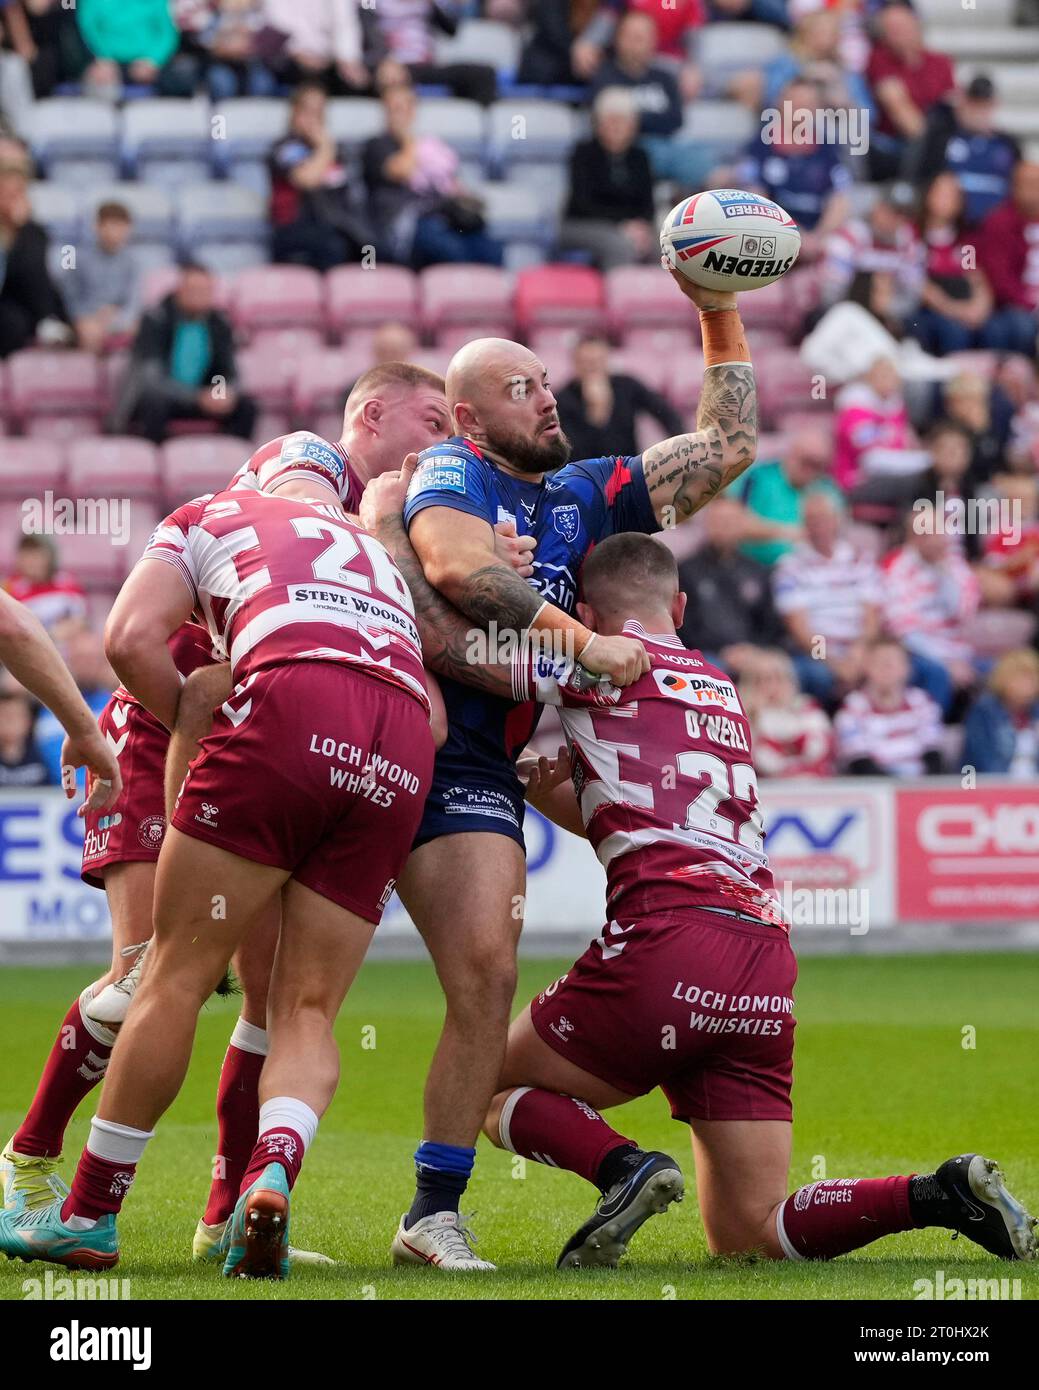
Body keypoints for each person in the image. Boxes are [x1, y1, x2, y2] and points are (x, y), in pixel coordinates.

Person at [0, 363, 453, 1267]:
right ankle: (29, 1160)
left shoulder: (367, 523)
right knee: (173, 982)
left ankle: (214, 1214)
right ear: (367, 417)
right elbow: (150, 646)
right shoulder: (313, 468)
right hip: (181, 721)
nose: (444, 440)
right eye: (433, 418)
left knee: (239, 993)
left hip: (259, 724)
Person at [486, 531, 1036, 1270]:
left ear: (585, 611)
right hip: (761, 959)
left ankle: (623, 1168)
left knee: (481, 1080)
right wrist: (557, 791)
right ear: (679, 604)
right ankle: (936, 1195)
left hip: (665, 941)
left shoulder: (589, 656)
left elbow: (473, 637)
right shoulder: (719, 686)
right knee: (749, 1233)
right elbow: (651, 816)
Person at [365, 266, 758, 1269]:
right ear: (466, 416)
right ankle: (223, 1191)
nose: (546, 396)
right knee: (267, 991)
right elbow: (461, 569)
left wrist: (715, 304)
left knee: (487, 973)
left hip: (478, 768)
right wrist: (579, 646)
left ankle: (430, 1213)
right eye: (519, 387)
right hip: (405, 735)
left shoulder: (586, 492)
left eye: (546, 381)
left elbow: (725, 449)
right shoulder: (452, 474)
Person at [362, 80, 503, 270]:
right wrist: (408, 140)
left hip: (443, 217)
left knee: (489, 249)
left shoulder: (430, 146)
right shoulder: (377, 145)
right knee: (452, 251)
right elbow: (402, 171)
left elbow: (451, 182)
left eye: (406, 108)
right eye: (394, 109)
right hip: (408, 225)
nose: (400, 115)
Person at [0, 589, 120, 810]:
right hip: (53, 797)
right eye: (80, 657)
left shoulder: (115, 698)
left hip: (105, 796)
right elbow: (13, 632)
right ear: (68, 657)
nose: (86, 663)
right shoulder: (45, 696)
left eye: (92, 658)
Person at [114, 261, 257, 444]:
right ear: (180, 290)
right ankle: (156, 460)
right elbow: (152, 378)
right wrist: (196, 398)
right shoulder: (156, 319)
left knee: (246, 406)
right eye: (193, 290)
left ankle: (230, 459)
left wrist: (221, 394)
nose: (199, 297)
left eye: (204, 291)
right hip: (167, 397)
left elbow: (227, 371)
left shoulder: (219, 323)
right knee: (154, 401)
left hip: (204, 396)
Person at [772, 489, 882, 705]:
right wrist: (832, 661)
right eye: (811, 520)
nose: (818, 525)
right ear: (804, 524)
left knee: (893, 668)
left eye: (824, 518)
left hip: (858, 649)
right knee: (817, 676)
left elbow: (871, 618)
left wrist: (858, 653)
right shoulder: (791, 566)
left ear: (838, 519)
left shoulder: (860, 560)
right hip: (817, 652)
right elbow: (799, 629)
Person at [587, 10, 704, 186]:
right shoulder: (605, 78)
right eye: (630, 36)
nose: (635, 44)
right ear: (617, 39)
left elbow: (676, 119)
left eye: (641, 37)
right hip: (628, 150)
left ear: (654, 41)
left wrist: (636, 118)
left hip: (668, 145)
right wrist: (648, 121)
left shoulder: (664, 77)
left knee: (700, 155)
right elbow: (605, 122)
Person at [881, 512, 981, 716]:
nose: (935, 540)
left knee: (1003, 671)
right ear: (912, 538)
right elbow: (902, 630)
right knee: (937, 673)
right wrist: (946, 662)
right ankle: (929, 737)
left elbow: (963, 613)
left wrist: (943, 573)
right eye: (927, 534)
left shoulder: (955, 565)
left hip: (958, 652)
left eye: (938, 533)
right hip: (916, 653)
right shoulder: (896, 566)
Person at [269, 81, 374, 273]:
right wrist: (325, 147)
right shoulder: (284, 148)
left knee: (374, 250)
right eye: (308, 111)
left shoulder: (336, 153)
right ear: (294, 112)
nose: (314, 119)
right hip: (293, 229)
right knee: (333, 247)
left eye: (319, 113)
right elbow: (306, 180)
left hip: (335, 226)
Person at [738, 77, 852, 251]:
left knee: (845, 244)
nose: (801, 109)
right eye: (795, 102)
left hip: (818, 235)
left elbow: (839, 199)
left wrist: (819, 236)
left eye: (808, 104)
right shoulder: (760, 147)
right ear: (780, 103)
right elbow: (756, 201)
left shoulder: (828, 149)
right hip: (774, 233)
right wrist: (794, 235)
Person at [675, 495, 786, 667]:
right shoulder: (685, 570)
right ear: (707, 524)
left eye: (731, 521)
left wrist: (754, 649)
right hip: (705, 655)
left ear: (742, 525)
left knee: (779, 667)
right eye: (718, 521)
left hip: (754, 654)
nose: (724, 527)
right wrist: (722, 652)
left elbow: (770, 624)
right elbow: (683, 627)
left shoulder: (756, 570)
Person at [558, 86, 656, 272]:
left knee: (666, 244)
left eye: (623, 121)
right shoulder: (583, 153)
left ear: (634, 125)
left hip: (630, 226)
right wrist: (622, 225)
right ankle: (623, 297)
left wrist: (640, 226)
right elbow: (582, 204)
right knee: (618, 245)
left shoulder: (640, 157)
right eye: (611, 120)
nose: (617, 127)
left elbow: (647, 205)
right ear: (598, 123)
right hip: (582, 224)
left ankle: (662, 298)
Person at [555, 332, 683, 461]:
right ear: (575, 363)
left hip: (628, 468)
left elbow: (666, 413)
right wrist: (597, 412)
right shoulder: (563, 399)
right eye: (586, 362)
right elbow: (574, 454)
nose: (592, 367)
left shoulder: (627, 386)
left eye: (598, 361)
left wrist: (677, 448)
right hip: (584, 474)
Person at [913, 74, 1020, 226]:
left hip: (997, 229)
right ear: (963, 102)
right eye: (974, 103)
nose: (979, 110)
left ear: (994, 105)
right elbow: (924, 180)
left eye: (984, 104)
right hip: (954, 228)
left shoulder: (1008, 145)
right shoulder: (942, 139)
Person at [906, 172, 994, 356]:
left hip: (959, 304)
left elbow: (976, 279)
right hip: (926, 307)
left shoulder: (963, 242)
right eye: (941, 193)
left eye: (953, 195)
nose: (946, 200)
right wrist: (957, 311)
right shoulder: (913, 235)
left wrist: (980, 307)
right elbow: (918, 284)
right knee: (953, 332)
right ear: (928, 195)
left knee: (994, 330)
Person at [866, 1, 955, 181]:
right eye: (891, 29)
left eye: (902, 26)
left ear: (917, 24)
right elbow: (904, 117)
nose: (898, 33)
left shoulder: (940, 62)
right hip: (896, 143)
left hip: (935, 140)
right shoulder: (879, 59)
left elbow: (951, 106)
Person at [729, 423, 837, 567]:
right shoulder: (759, 476)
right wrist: (787, 532)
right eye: (807, 461)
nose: (812, 470)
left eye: (819, 465)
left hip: (811, 570)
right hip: (757, 567)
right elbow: (732, 522)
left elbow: (837, 529)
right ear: (792, 454)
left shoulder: (827, 486)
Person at [0, 137, 70, 357]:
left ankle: (48, 320)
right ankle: (46, 320)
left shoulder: (34, 231)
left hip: (21, 304)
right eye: (7, 183)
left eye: (19, 187)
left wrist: (23, 229)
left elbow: (67, 259)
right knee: (13, 322)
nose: (14, 193)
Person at [834, 636, 944, 776]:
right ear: (866, 667)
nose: (887, 668)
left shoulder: (922, 702)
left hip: (921, 787)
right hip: (875, 789)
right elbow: (859, 763)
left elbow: (933, 755)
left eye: (893, 662)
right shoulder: (853, 707)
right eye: (880, 662)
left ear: (907, 668)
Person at [738, 646, 833, 778]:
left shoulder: (807, 707)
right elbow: (760, 760)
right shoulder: (742, 718)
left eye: (778, 678)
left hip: (813, 786)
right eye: (762, 680)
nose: (771, 687)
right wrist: (757, 717)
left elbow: (816, 748)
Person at [976, 162, 1039, 357]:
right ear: (1013, 186)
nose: (1032, 189)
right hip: (1014, 308)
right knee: (1020, 326)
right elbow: (1000, 280)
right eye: (1026, 183)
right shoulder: (999, 221)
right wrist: (1032, 305)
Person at [63, 201, 139, 355]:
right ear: (97, 226)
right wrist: (86, 316)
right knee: (90, 332)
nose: (115, 232)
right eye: (110, 225)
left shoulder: (133, 261)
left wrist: (119, 316)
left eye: (120, 226)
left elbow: (134, 299)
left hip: (118, 316)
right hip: (86, 318)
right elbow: (69, 295)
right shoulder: (73, 255)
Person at [962, 649, 1039, 778]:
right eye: (1022, 678)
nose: (1028, 684)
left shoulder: (1036, 712)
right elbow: (982, 761)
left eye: (1033, 678)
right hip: (994, 786)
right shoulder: (984, 712)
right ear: (1003, 679)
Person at [4, 535, 87, 636]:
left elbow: (81, 622)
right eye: (26, 554)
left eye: (37, 554)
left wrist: (54, 635)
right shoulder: (9, 588)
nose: (31, 560)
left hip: (65, 644)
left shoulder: (67, 583)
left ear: (50, 556)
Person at [0, 687, 49, 787]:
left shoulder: (42, 754)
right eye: (4, 716)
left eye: (16, 716)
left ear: (29, 721)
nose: (10, 722)